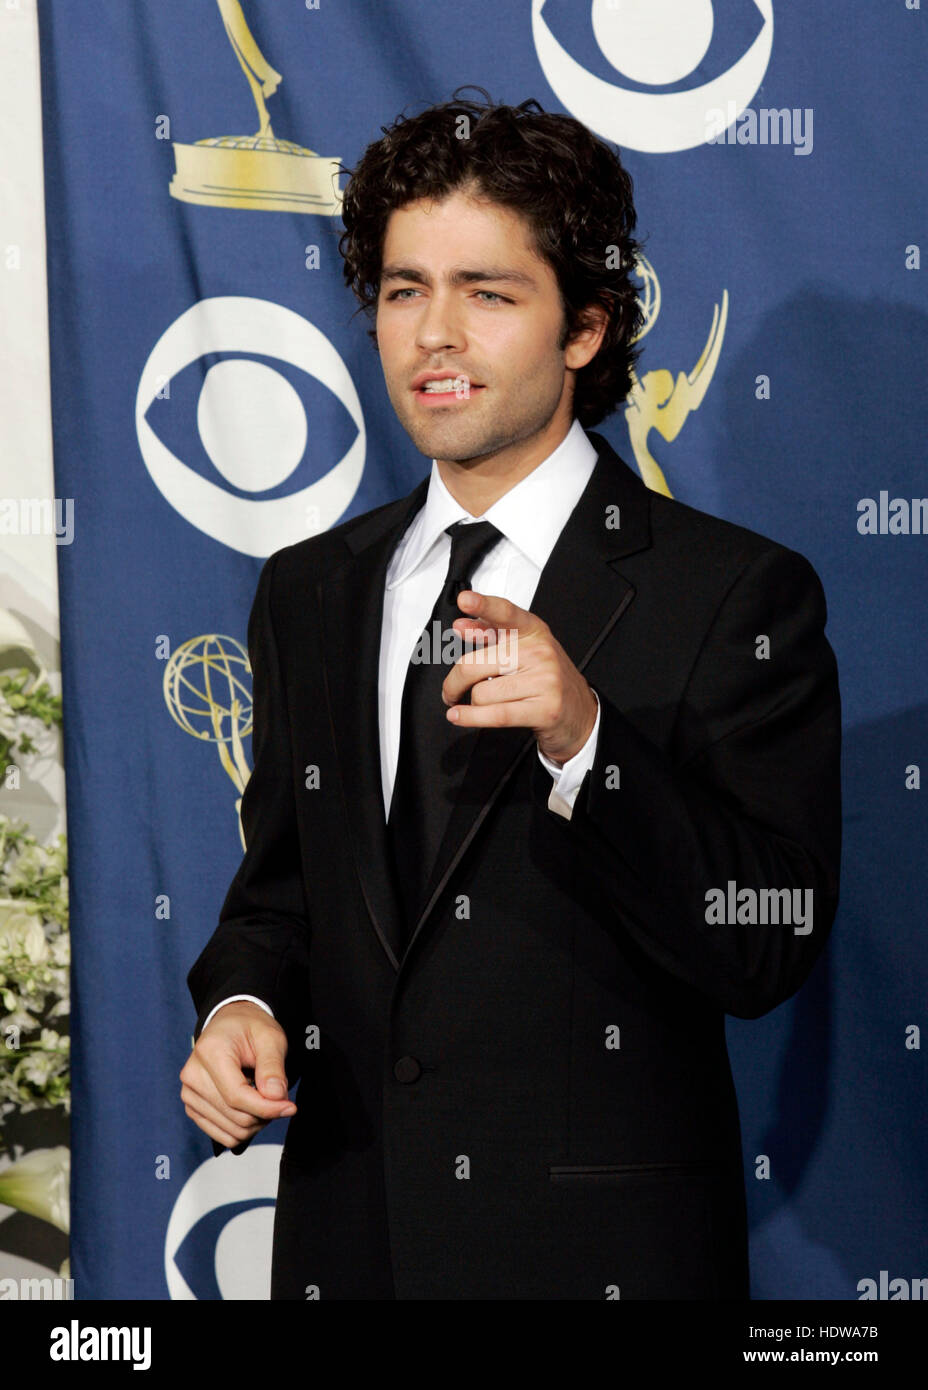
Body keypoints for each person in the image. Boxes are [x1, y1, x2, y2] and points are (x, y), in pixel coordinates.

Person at [180, 90, 841, 1300]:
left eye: (487, 293)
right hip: (349, 1240)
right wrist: (241, 1001)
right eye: (400, 289)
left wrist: (587, 739)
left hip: (596, 1263)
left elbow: (766, 943)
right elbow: (281, 894)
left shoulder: (734, 591)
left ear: (585, 328)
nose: (434, 335)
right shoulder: (310, 591)